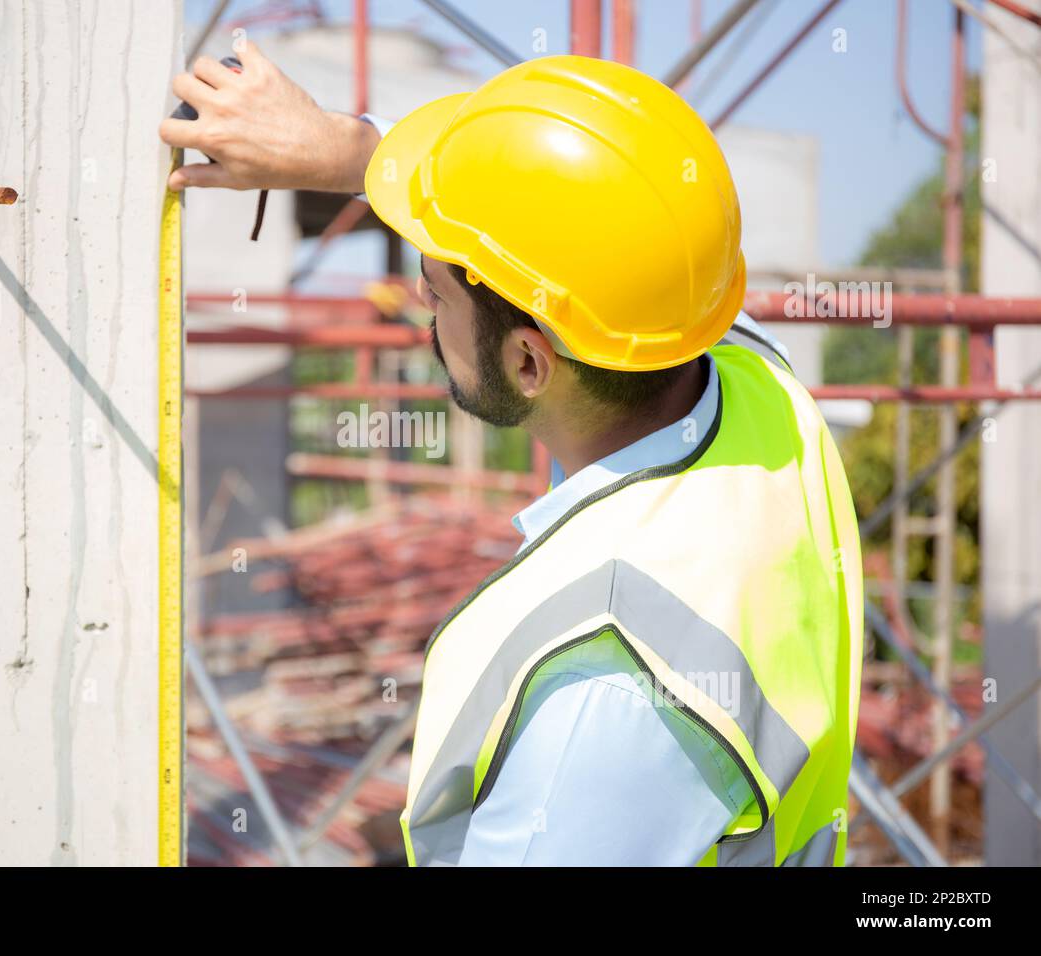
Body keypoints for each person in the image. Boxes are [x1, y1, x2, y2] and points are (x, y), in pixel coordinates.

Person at [159, 41, 864, 867]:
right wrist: (343, 149)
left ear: (529, 362)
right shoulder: (753, 379)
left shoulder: (604, 697)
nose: (419, 291)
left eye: (440, 285)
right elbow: (604, 225)